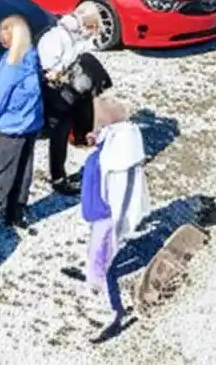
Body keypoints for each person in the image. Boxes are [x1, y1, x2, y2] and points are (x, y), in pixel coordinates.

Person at [75, 95, 149, 343]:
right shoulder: (118, 136)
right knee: (96, 249)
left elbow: (121, 189)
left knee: (101, 253)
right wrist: (98, 138)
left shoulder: (123, 150)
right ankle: (94, 279)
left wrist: (115, 216)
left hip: (107, 213)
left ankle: (110, 309)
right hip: (100, 209)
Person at [0, 15, 44, 230]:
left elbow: (3, 97)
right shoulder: (13, 63)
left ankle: (15, 211)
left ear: (13, 33)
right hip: (12, 128)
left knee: (24, 172)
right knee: (4, 173)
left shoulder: (28, 59)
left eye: (2, 34)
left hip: (28, 126)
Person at [37, 3, 103, 196]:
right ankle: (57, 178)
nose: (89, 31)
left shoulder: (69, 33)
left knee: (61, 133)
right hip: (56, 93)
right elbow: (51, 70)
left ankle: (59, 172)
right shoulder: (55, 38)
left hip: (66, 90)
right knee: (58, 134)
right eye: (90, 25)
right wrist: (78, 52)